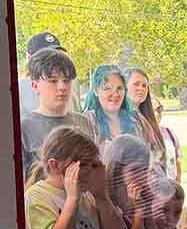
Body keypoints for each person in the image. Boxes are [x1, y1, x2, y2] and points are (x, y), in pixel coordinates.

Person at [20, 49, 95, 179]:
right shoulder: (23, 127)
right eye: (53, 81)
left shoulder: (83, 122)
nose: (62, 87)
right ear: (35, 85)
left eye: (66, 81)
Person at [103, 134, 163, 229]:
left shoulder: (139, 199)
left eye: (145, 170)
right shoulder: (110, 206)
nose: (142, 177)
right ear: (117, 171)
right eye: (135, 170)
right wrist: (139, 212)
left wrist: (147, 208)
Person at [83, 65, 164, 171]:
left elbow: (158, 155)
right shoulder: (87, 121)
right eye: (107, 88)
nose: (115, 94)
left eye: (119, 88)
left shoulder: (136, 119)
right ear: (96, 91)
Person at [18, 32, 83, 116]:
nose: (52, 59)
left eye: (56, 53)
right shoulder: (19, 88)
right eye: (44, 57)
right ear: (29, 58)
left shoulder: (72, 82)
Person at [124, 68, 167, 173]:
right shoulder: (118, 119)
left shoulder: (147, 120)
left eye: (144, 86)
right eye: (136, 84)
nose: (141, 88)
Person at [150, 94, 182, 183]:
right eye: (152, 110)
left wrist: (178, 184)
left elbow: (177, 163)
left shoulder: (170, 134)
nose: (157, 113)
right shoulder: (140, 135)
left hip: (171, 189)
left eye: (159, 109)